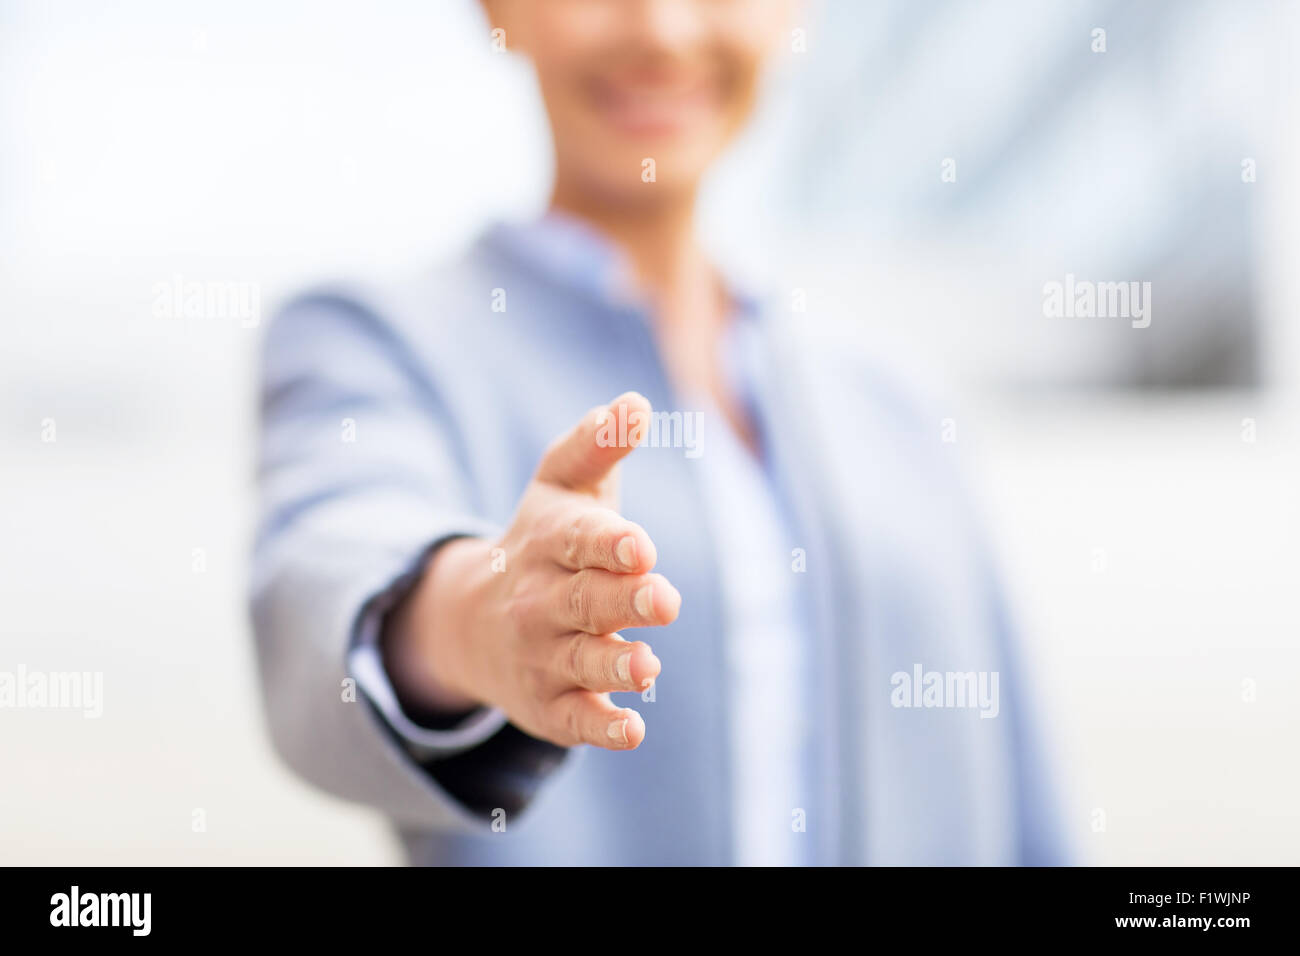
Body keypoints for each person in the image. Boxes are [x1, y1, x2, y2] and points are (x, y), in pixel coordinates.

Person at [251, 0, 1066, 865]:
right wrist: (478, 619)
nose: (663, 30)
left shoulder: (899, 408)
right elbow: (329, 570)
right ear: (500, 12)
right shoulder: (377, 342)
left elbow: (1028, 813)